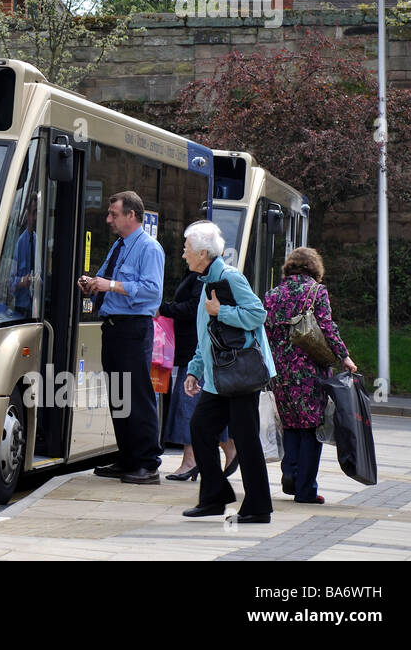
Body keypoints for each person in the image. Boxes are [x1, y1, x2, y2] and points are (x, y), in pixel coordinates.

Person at [180, 220, 277, 523]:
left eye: (187, 250)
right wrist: (195, 370)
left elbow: (257, 314)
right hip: (218, 377)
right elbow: (206, 333)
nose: (184, 255)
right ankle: (215, 496)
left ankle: (259, 507)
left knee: (245, 440)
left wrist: (220, 311)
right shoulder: (207, 280)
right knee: (200, 428)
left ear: (203, 252)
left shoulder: (229, 277)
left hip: (239, 376)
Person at [78, 190, 165, 484]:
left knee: (137, 395)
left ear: (131, 215)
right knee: (119, 395)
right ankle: (127, 457)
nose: (108, 219)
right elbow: (104, 280)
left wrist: (110, 285)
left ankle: (147, 463)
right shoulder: (120, 246)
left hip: (133, 328)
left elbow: (152, 291)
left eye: (114, 214)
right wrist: (91, 283)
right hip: (113, 327)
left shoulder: (149, 248)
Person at [263, 247, 357, 505]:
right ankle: (305, 490)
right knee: (311, 428)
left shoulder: (272, 294)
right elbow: (327, 328)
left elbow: (265, 331)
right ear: (315, 268)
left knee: (290, 424)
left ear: (289, 267)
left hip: (279, 372)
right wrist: (344, 357)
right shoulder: (316, 292)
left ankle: (290, 473)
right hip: (309, 371)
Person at [161, 266, 237, 481]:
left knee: (188, 403)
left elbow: (195, 307)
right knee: (201, 406)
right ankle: (228, 447)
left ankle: (191, 461)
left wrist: (165, 309)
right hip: (194, 349)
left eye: (187, 248)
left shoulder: (206, 276)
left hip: (198, 351)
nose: (183, 254)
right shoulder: (197, 274)